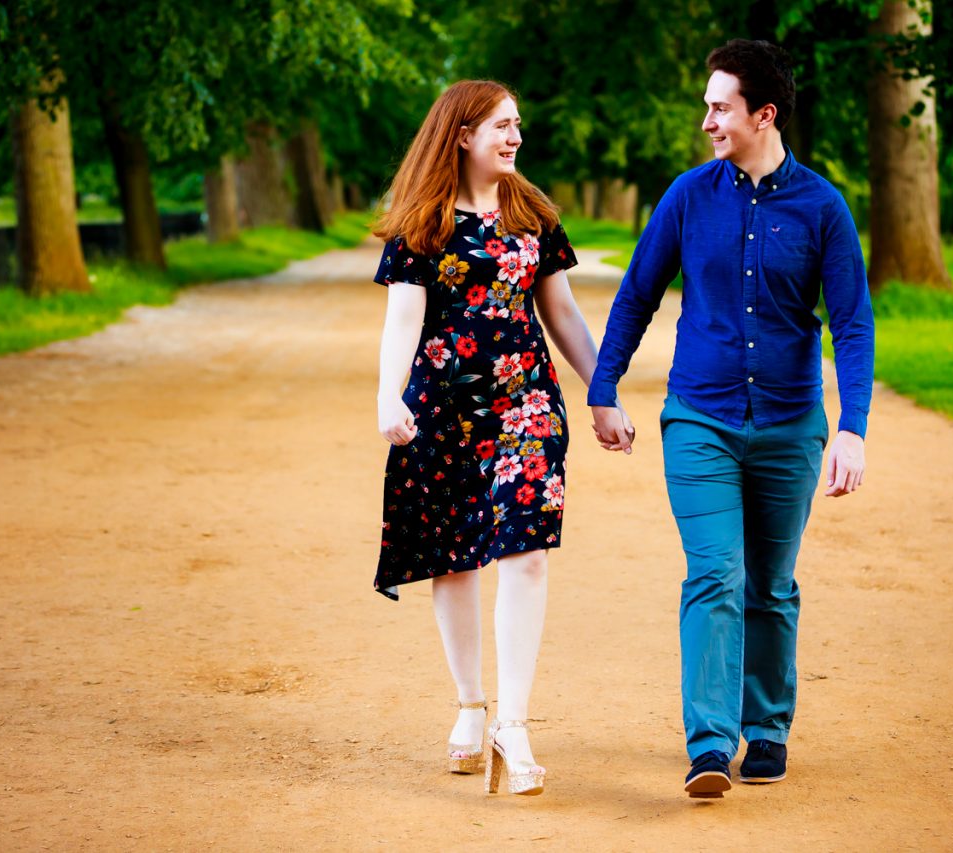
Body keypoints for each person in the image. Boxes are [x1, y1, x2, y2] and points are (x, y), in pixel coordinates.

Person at [587, 40, 874, 798]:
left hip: (788, 427)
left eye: (720, 106)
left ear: (763, 114)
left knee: (770, 584)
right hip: (701, 421)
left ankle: (768, 726)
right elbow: (638, 294)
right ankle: (711, 742)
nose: (708, 119)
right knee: (714, 572)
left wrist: (852, 427)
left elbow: (852, 322)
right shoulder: (688, 196)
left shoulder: (822, 207)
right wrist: (603, 387)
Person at [372, 80, 614, 797]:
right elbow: (403, 321)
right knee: (455, 559)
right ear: (462, 133)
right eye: (502, 126)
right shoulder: (423, 221)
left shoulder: (531, 213)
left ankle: (514, 720)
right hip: (441, 409)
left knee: (527, 552)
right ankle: (470, 706)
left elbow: (564, 314)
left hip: (526, 403)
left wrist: (602, 393)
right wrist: (388, 394)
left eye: (518, 125)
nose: (515, 137)